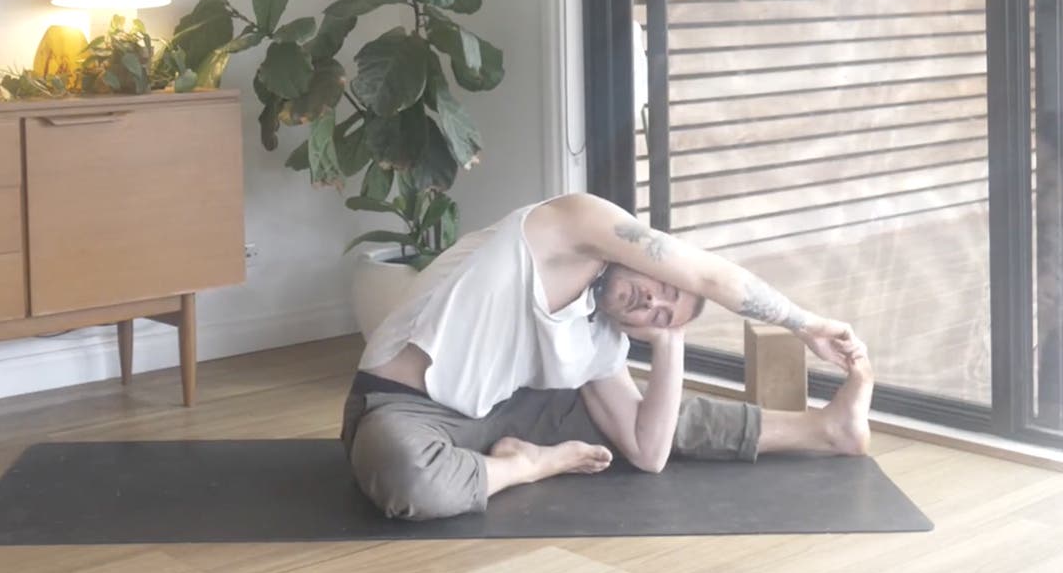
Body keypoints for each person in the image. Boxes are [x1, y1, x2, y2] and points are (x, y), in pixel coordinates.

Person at [341, 192, 873, 521]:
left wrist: (669, 338)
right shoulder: (570, 226)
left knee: (648, 413)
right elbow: (711, 276)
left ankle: (826, 429)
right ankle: (526, 465)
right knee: (410, 479)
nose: (653, 302)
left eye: (663, 312)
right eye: (664, 287)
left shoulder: (601, 339)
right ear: (651, 258)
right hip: (404, 407)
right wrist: (806, 324)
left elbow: (648, 451)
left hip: (501, 411)